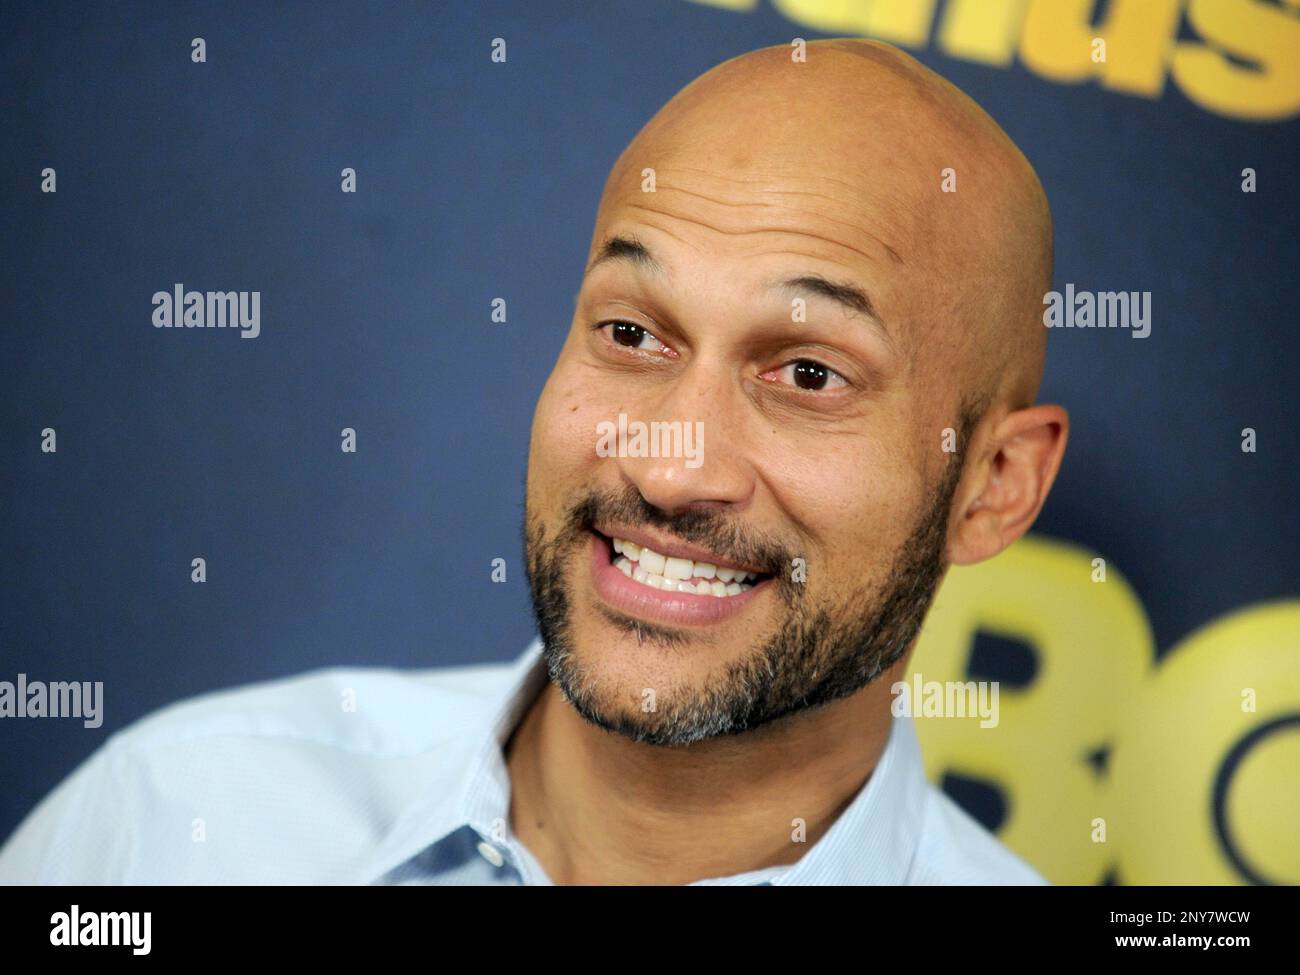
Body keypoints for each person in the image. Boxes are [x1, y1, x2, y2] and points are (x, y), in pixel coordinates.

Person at [0, 38, 1066, 885]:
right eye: (633, 334)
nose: (667, 470)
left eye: (808, 376)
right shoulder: (174, 820)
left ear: (994, 486)